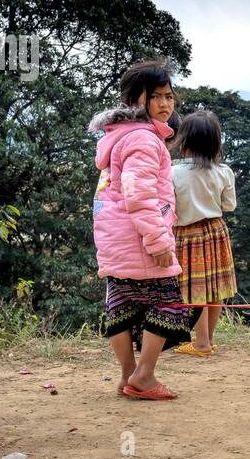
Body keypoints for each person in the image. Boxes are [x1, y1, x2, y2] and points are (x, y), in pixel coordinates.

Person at [91, 58, 190, 400]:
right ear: (137, 100)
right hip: (140, 240)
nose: (165, 104)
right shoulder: (145, 141)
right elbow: (139, 195)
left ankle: (126, 377)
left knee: (121, 303)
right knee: (166, 301)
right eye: (157, 96)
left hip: (113, 239)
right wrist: (158, 241)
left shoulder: (117, 137)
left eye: (169, 97)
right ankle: (144, 376)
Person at [169, 110, 238, 357]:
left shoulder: (173, 172)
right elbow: (229, 206)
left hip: (187, 235)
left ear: (183, 141)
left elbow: (168, 205)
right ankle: (208, 339)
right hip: (216, 231)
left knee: (194, 288)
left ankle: (200, 343)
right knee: (214, 287)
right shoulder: (223, 171)